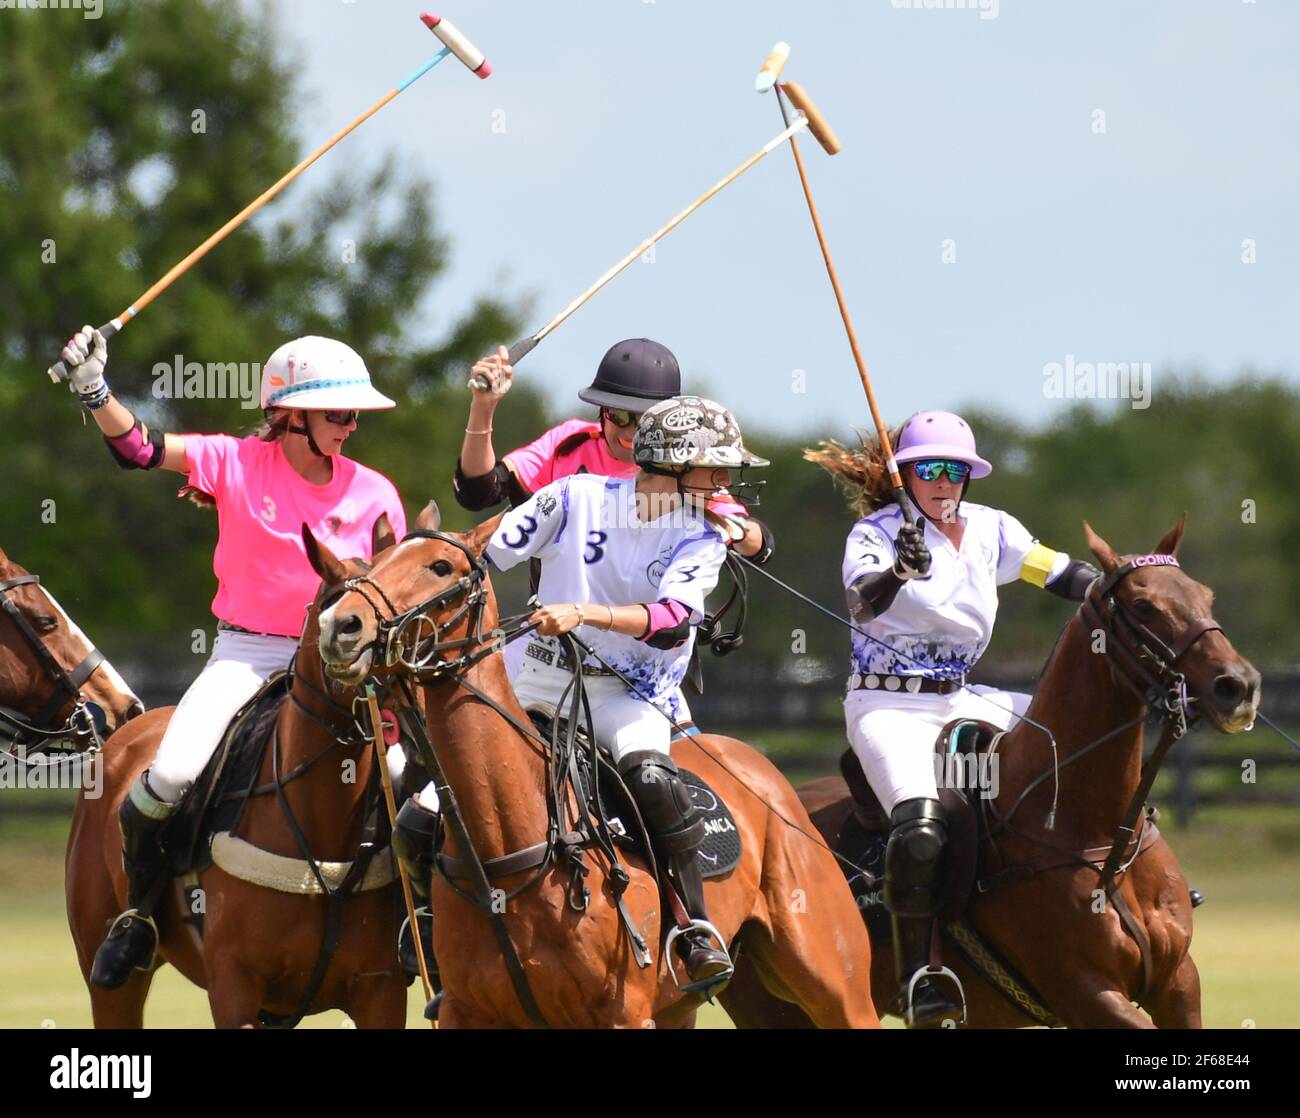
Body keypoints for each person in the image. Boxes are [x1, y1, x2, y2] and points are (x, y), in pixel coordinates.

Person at [56, 327, 407, 989]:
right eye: (338, 413)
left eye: (356, 414)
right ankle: (139, 915)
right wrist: (95, 389)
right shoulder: (236, 461)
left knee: (411, 782)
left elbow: (398, 593)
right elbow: (139, 447)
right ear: (290, 414)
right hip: (247, 655)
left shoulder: (377, 492)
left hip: (342, 669)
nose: (351, 426)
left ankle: (418, 927)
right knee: (169, 776)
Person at [399, 395, 769, 996]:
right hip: (536, 682)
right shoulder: (573, 496)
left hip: (631, 693)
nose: (726, 482)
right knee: (419, 815)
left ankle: (693, 926)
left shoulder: (704, 535)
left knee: (652, 782)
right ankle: (430, 928)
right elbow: (484, 553)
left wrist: (585, 612)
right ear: (672, 465)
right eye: (716, 468)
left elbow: (675, 619)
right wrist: (428, 554)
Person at [807, 410, 1099, 1028]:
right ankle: (921, 977)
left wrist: (1124, 585)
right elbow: (862, 601)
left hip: (963, 696)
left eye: (955, 470)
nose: (943, 482)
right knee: (919, 827)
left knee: (1076, 744)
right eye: (929, 470)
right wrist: (900, 572)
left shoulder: (995, 530)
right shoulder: (877, 533)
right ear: (906, 475)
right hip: (889, 704)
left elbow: (1061, 572)